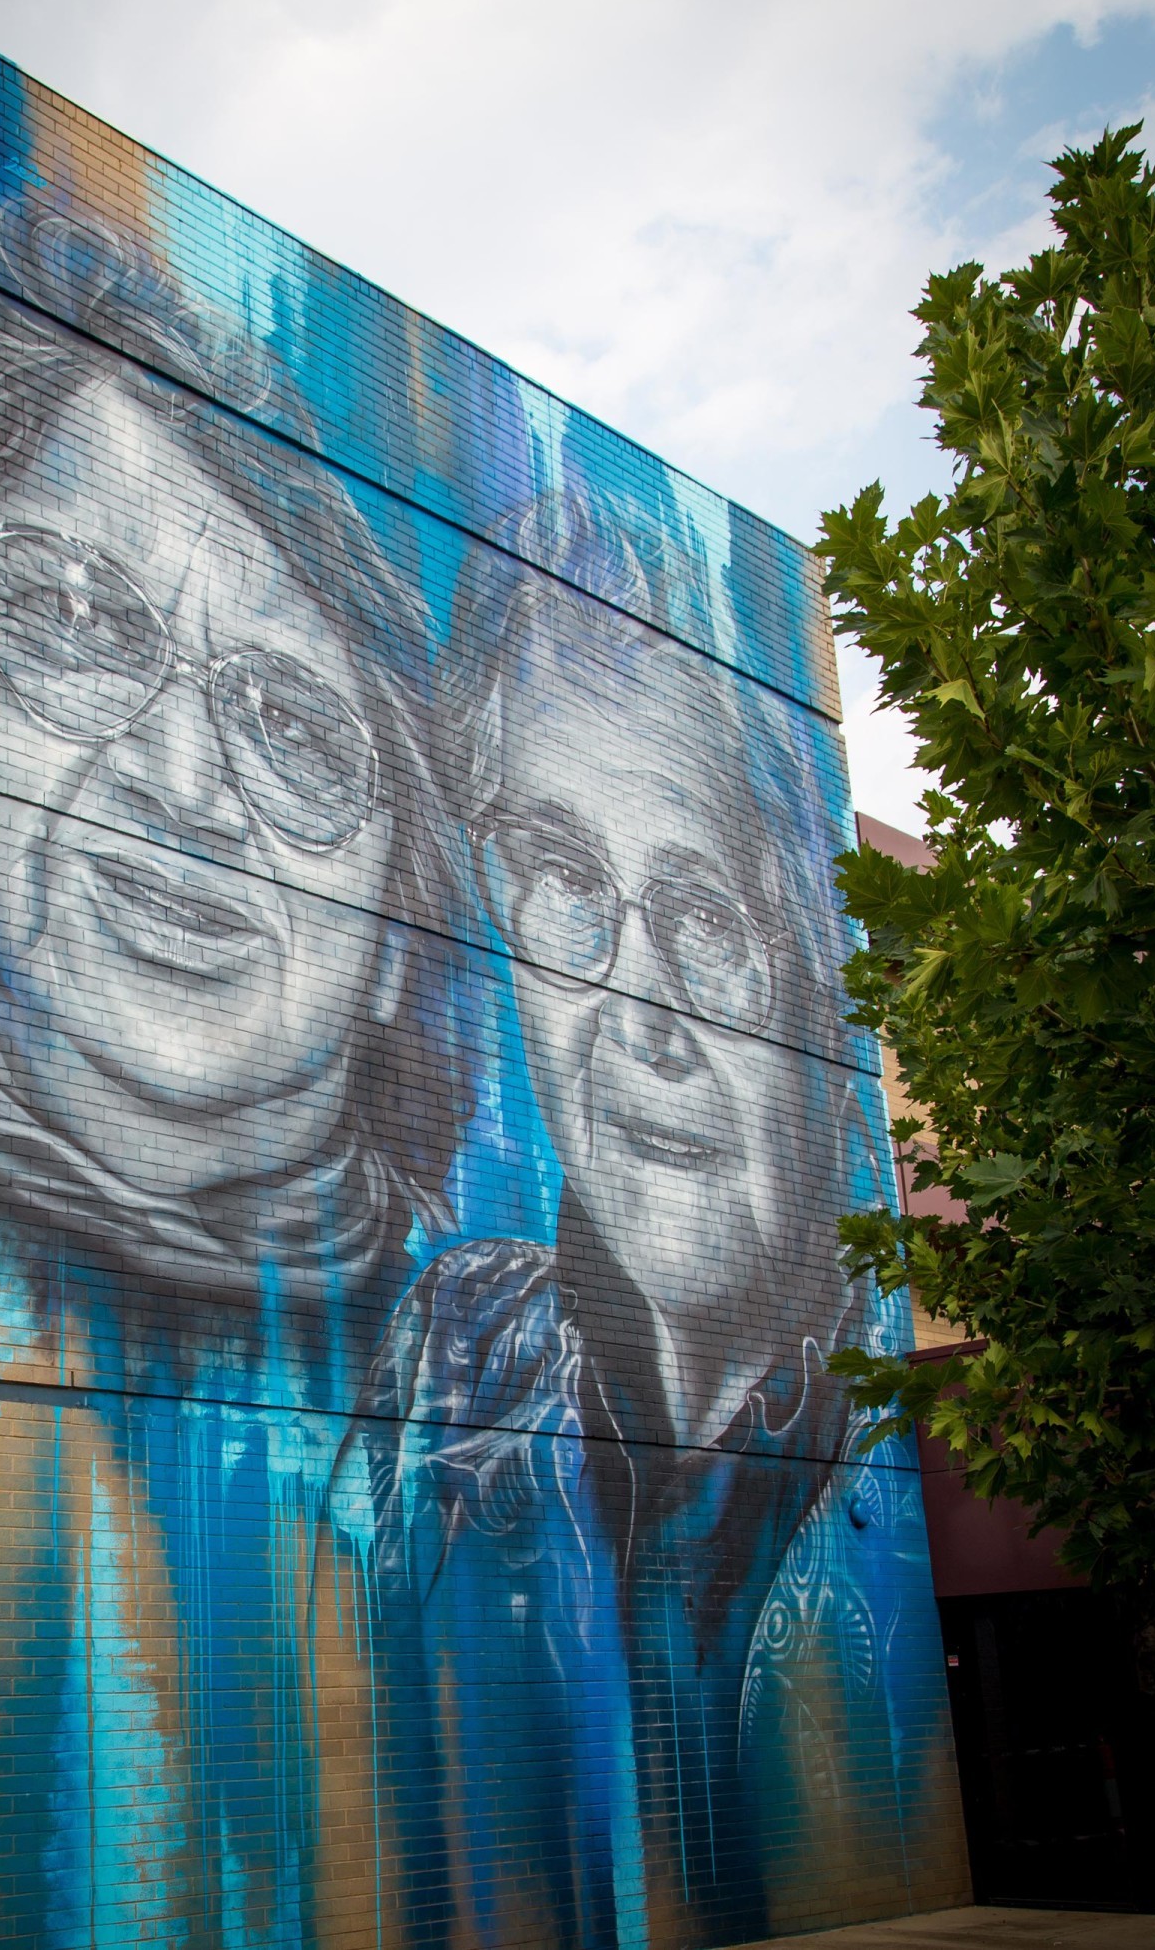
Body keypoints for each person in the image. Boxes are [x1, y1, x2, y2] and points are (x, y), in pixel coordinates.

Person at [0, 201, 471, 1939]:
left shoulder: (490, 1391)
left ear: (402, 923)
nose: (187, 783)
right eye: (70, 614)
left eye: (292, 723)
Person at [331, 492, 925, 1948]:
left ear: (809, 977)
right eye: (564, 884)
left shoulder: (884, 1436)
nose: (639, 1014)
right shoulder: (454, 1359)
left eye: (706, 915)